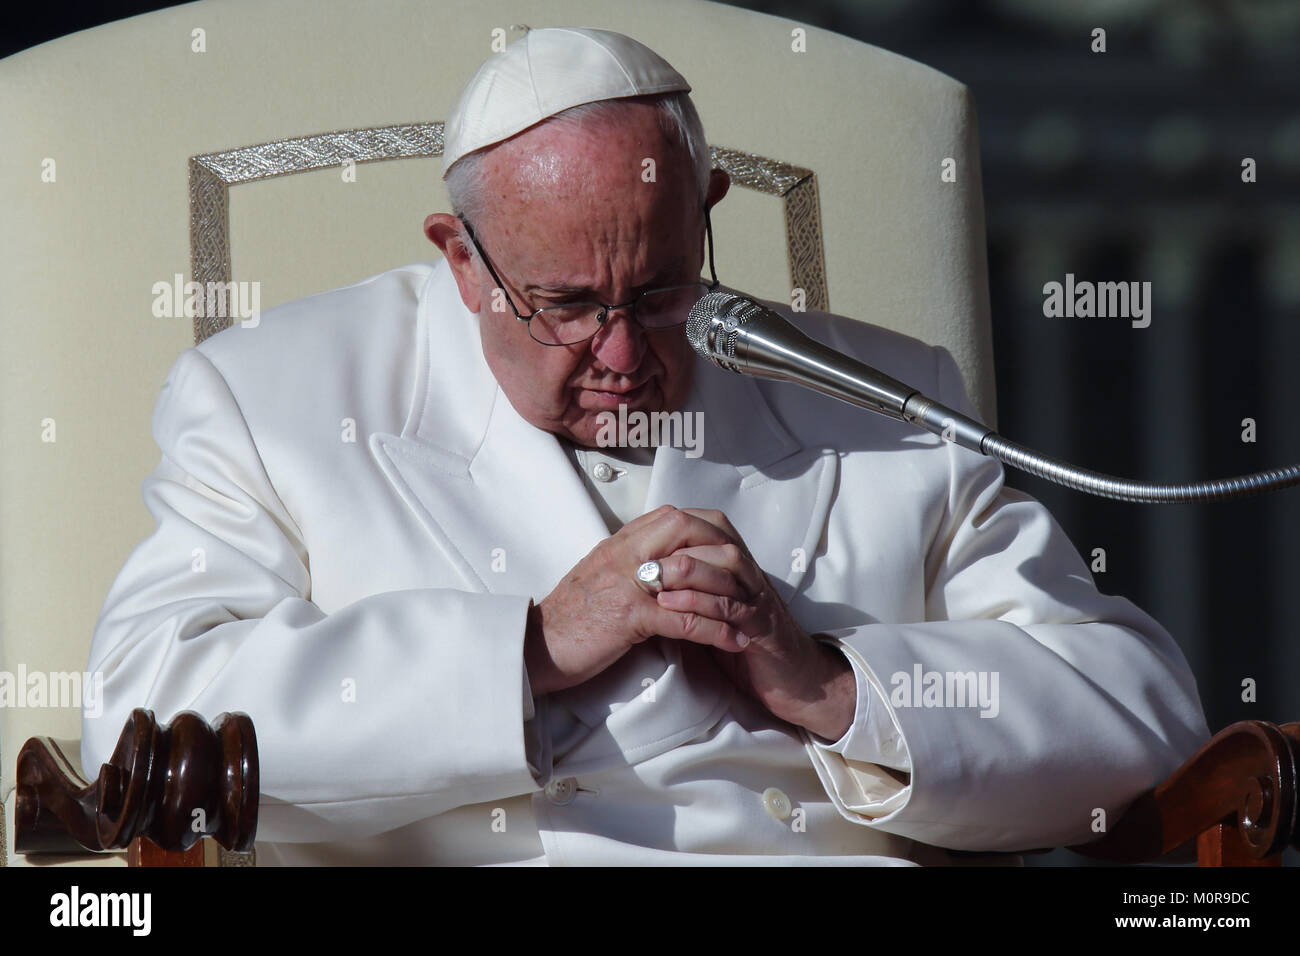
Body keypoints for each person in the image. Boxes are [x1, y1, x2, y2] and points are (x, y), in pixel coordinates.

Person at [83, 26, 1210, 865]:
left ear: (708, 208)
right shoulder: (270, 395)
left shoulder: (880, 397)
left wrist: (832, 685)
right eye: (564, 303)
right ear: (460, 257)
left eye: (662, 287)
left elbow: (1137, 716)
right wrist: (525, 647)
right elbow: (140, 722)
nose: (622, 351)